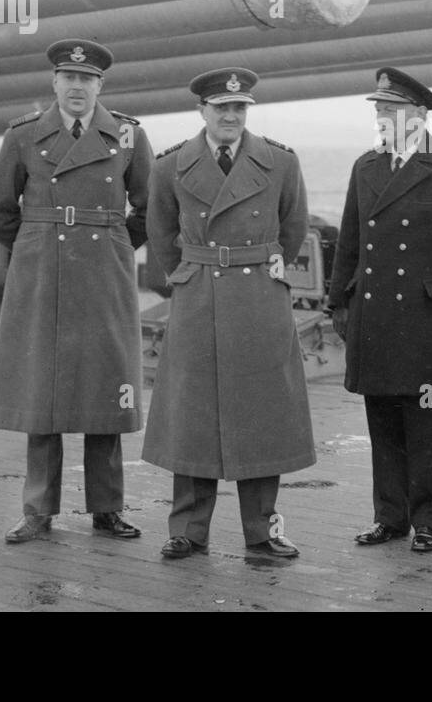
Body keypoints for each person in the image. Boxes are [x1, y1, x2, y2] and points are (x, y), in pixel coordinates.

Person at [0, 38, 152, 544]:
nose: (78, 87)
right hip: (44, 274)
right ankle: (38, 510)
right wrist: (37, 246)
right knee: (44, 390)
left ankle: (107, 507)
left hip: (104, 274)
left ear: (101, 85)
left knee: (107, 386)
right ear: (54, 83)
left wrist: (114, 244)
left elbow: (150, 210)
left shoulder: (127, 135)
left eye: (88, 79)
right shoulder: (25, 135)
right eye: (69, 78)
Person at [142, 67, 316, 560]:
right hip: (198, 296)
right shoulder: (169, 166)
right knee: (192, 415)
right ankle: (188, 531)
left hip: (258, 295)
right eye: (222, 108)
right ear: (203, 111)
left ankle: (262, 532)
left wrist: (258, 267)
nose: (231, 117)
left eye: (239, 108)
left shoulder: (280, 162)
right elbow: (160, 237)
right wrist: (188, 277)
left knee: (262, 415)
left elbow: (293, 227)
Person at [327, 68, 432, 553]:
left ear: (419, 114)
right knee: (381, 419)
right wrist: (339, 301)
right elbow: (349, 241)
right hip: (375, 316)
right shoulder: (366, 167)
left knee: (425, 421)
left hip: (426, 318)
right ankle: (389, 516)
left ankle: (428, 519)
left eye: (393, 109)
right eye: (380, 109)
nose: (384, 117)